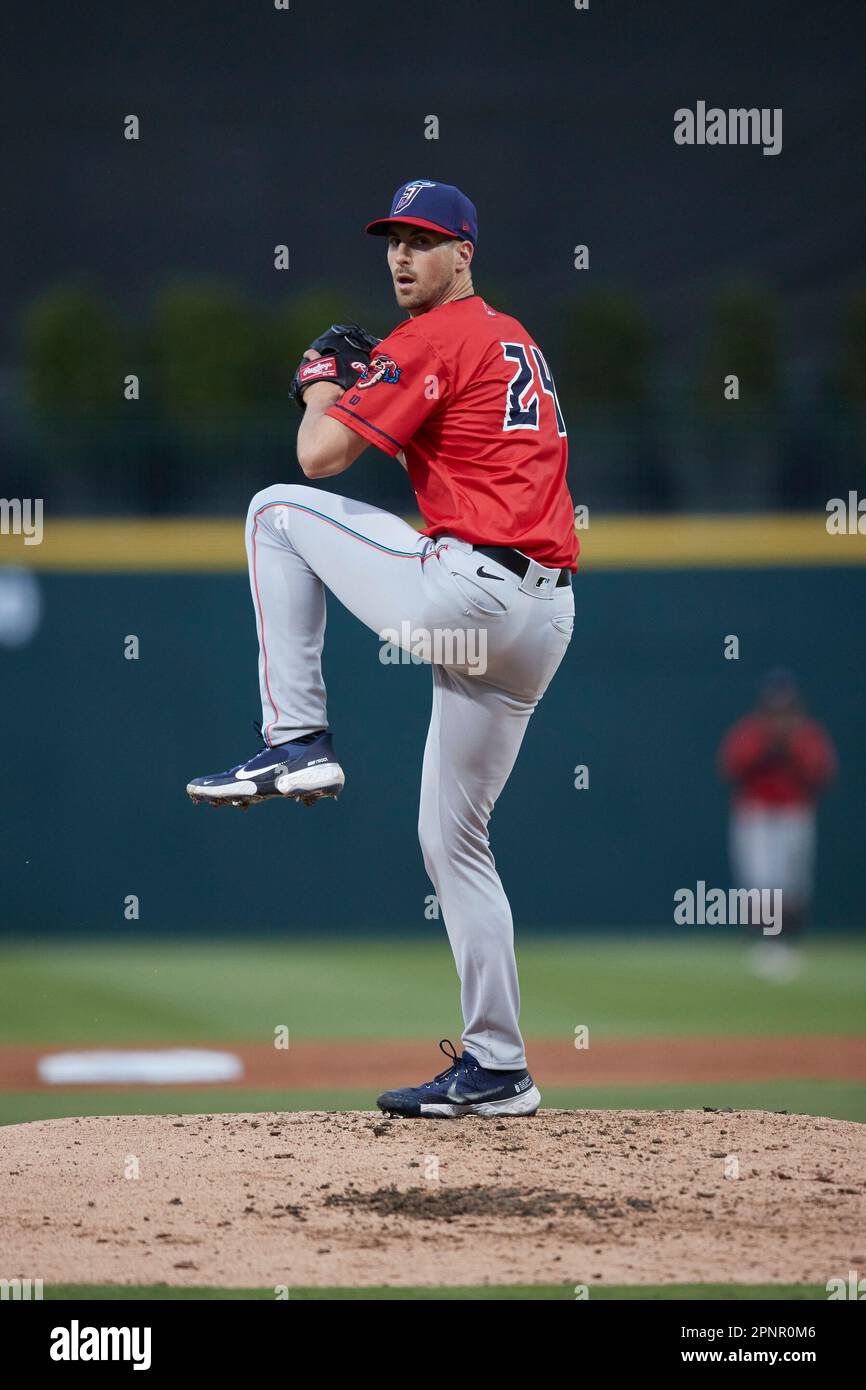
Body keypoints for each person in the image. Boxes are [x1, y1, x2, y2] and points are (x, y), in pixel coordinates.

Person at [187, 179, 578, 1115]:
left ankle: (297, 739)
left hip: (472, 592)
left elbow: (319, 455)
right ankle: (499, 1069)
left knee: (276, 510)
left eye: (425, 241)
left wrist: (324, 378)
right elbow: (449, 440)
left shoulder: (434, 336)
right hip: (544, 619)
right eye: (393, 240)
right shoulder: (513, 336)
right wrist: (370, 384)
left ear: (464, 254)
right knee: (454, 842)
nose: (404, 256)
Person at [718, 670, 837, 979]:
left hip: (794, 814)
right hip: (757, 815)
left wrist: (790, 756)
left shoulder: (806, 736)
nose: (780, 716)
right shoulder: (751, 733)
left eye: (786, 709)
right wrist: (766, 755)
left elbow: (821, 773)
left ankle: (791, 942)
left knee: (792, 881)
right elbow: (731, 768)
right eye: (775, 709)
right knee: (759, 880)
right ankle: (762, 942)